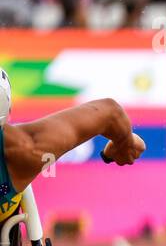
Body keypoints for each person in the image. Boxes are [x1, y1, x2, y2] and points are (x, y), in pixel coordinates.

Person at [0, 68, 146, 221]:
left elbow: (111, 114)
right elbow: (111, 113)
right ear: (8, 110)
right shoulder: (26, 150)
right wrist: (125, 145)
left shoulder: (25, 149)